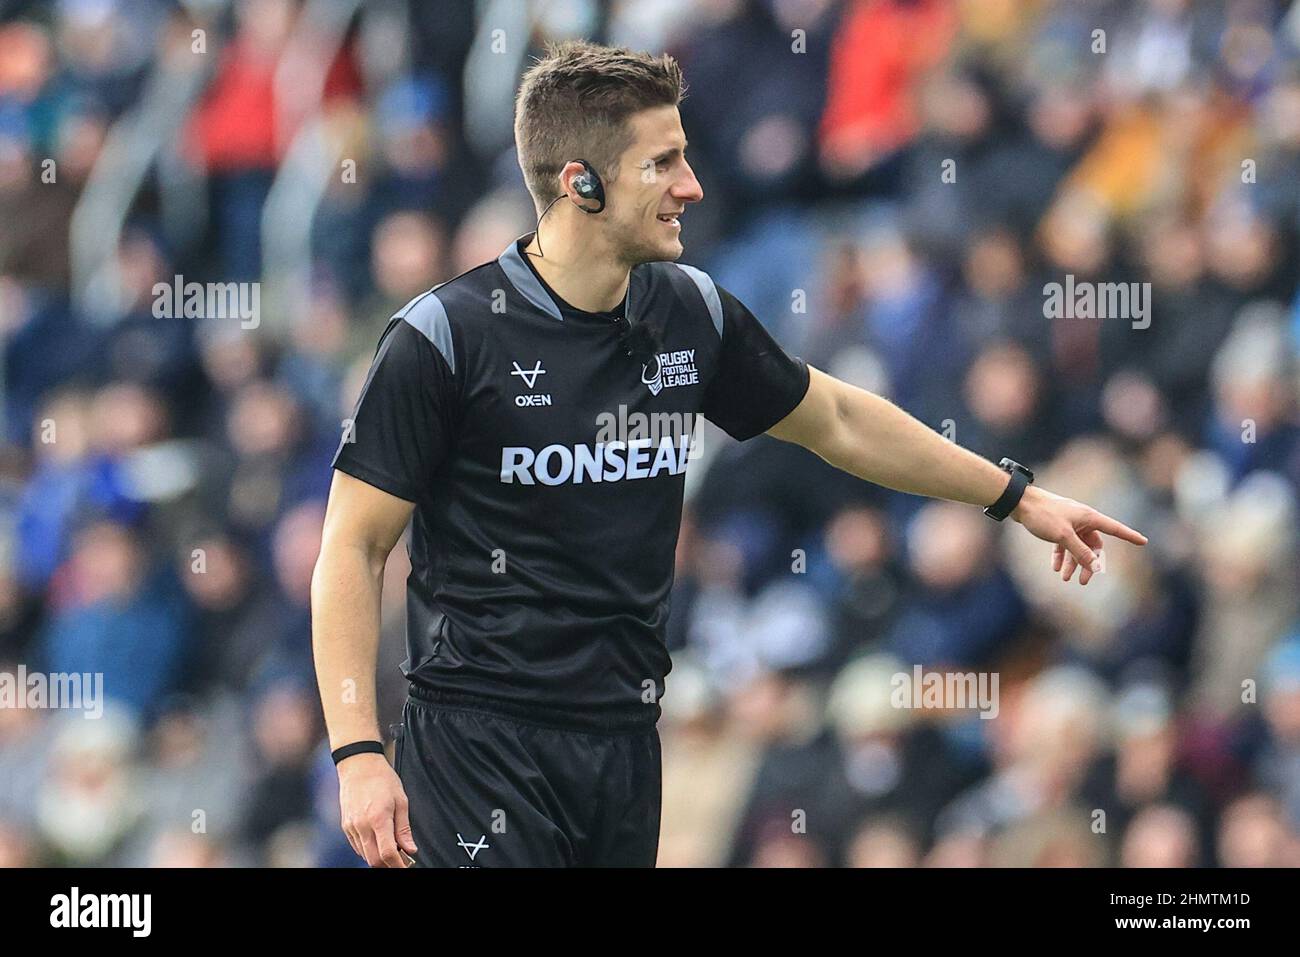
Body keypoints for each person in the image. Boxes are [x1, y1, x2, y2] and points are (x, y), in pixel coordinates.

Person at [310, 40, 1147, 868]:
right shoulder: (445, 338)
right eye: (663, 162)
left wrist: (1014, 496)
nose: (692, 186)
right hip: (475, 749)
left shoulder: (691, 313)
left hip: (626, 746)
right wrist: (356, 753)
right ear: (582, 184)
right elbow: (353, 545)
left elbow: (840, 420)